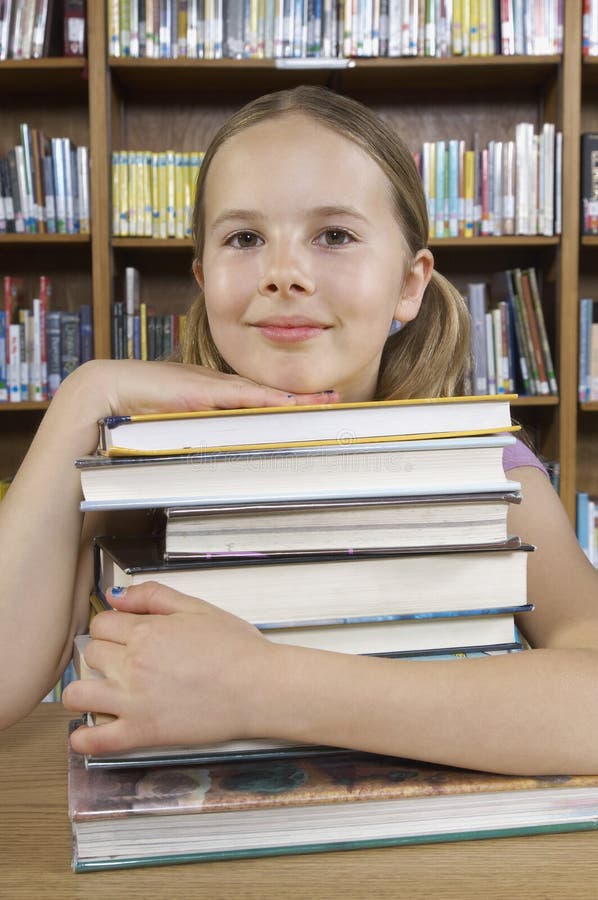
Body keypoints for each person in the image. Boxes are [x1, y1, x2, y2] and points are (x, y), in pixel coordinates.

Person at [1, 86, 597, 776]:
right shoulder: (129, 464)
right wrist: (83, 396)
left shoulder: (491, 471)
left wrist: (261, 688)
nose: (284, 273)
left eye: (335, 235)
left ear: (410, 283)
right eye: (244, 238)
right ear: (202, 277)